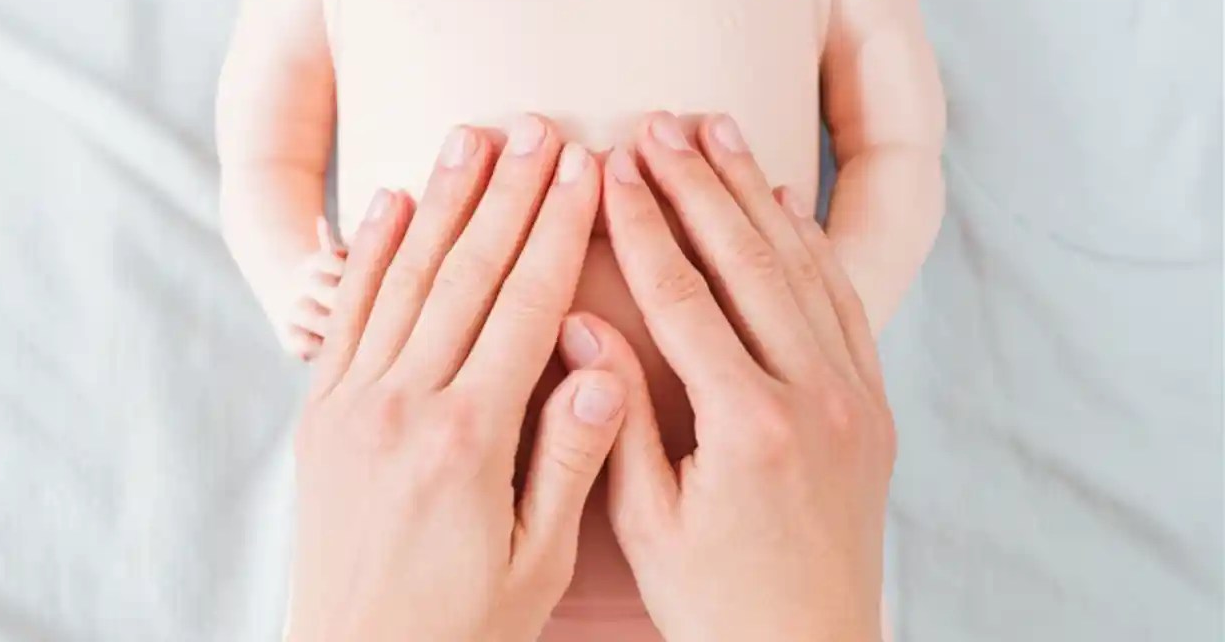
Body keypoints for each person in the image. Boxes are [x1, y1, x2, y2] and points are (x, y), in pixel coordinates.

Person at [218, 0, 942, 636]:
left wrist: (843, 304)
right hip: (424, 558)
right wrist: (290, 275)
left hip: (773, 564)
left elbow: (898, 151)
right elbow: (261, 159)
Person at [287, 118, 897, 641]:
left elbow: (268, 150)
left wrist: (292, 278)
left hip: (402, 553)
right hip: (786, 561)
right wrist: (834, 314)